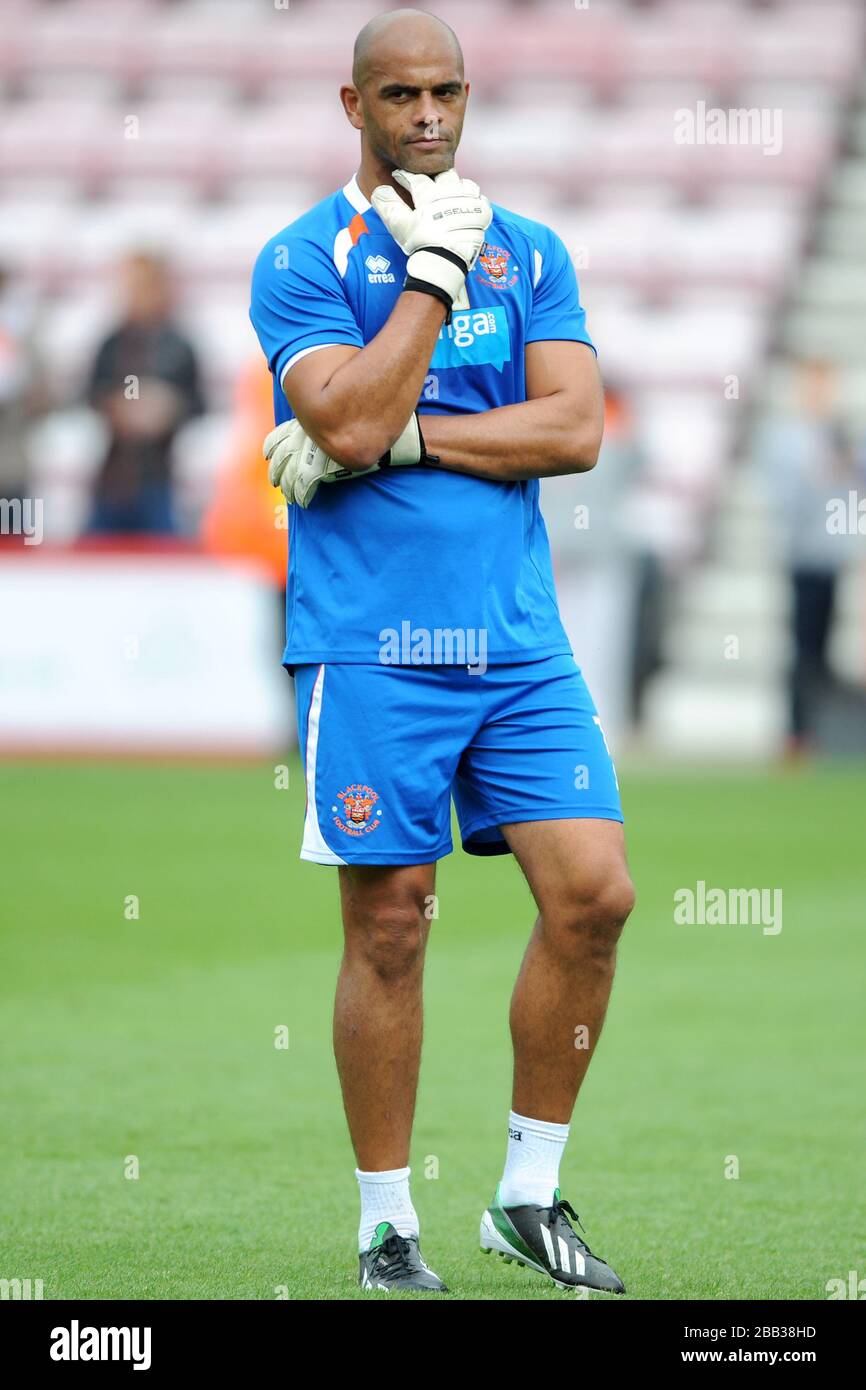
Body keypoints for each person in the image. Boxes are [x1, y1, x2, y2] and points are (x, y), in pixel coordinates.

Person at [249, 7, 634, 1296]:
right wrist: (426, 282)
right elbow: (344, 422)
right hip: (372, 650)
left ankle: (526, 1196)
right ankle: (384, 1221)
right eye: (400, 95)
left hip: (519, 646)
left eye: (447, 94)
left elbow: (574, 427)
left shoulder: (527, 250)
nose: (428, 116)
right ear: (351, 106)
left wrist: (413, 437)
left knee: (594, 893)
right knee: (394, 928)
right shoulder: (302, 258)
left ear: (468, 99)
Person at [757, 356, 865, 756]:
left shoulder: (842, 433)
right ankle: (796, 734)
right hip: (801, 554)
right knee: (802, 647)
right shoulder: (786, 437)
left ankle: (819, 732)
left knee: (824, 648)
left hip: (831, 555)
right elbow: (783, 495)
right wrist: (820, 469)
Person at [86, 252, 203, 535]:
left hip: (161, 477)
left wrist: (169, 409)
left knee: (165, 560)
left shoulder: (178, 345)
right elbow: (91, 393)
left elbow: (198, 403)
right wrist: (117, 407)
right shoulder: (112, 343)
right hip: (113, 477)